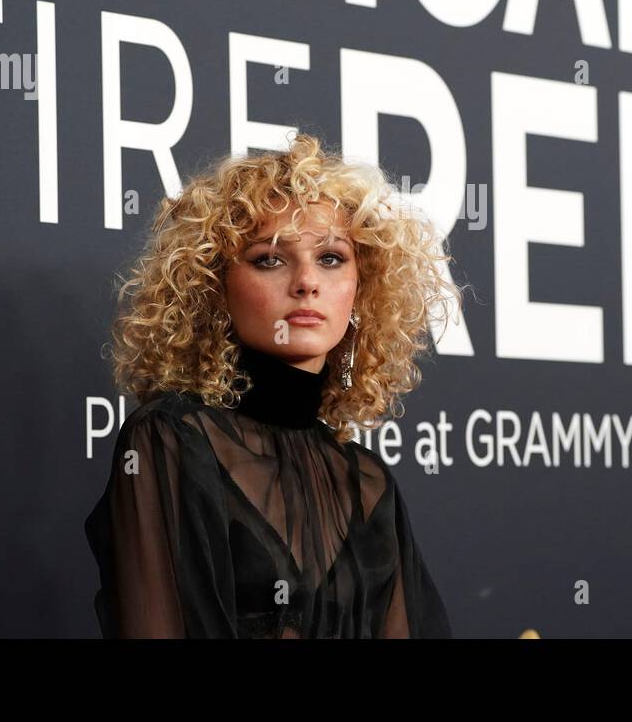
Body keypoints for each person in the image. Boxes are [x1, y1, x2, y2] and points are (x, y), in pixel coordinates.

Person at [84, 132, 464, 638]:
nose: (307, 282)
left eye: (331, 258)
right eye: (269, 258)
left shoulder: (368, 484)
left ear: (363, 285)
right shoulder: (172, 441)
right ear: (213, 287)